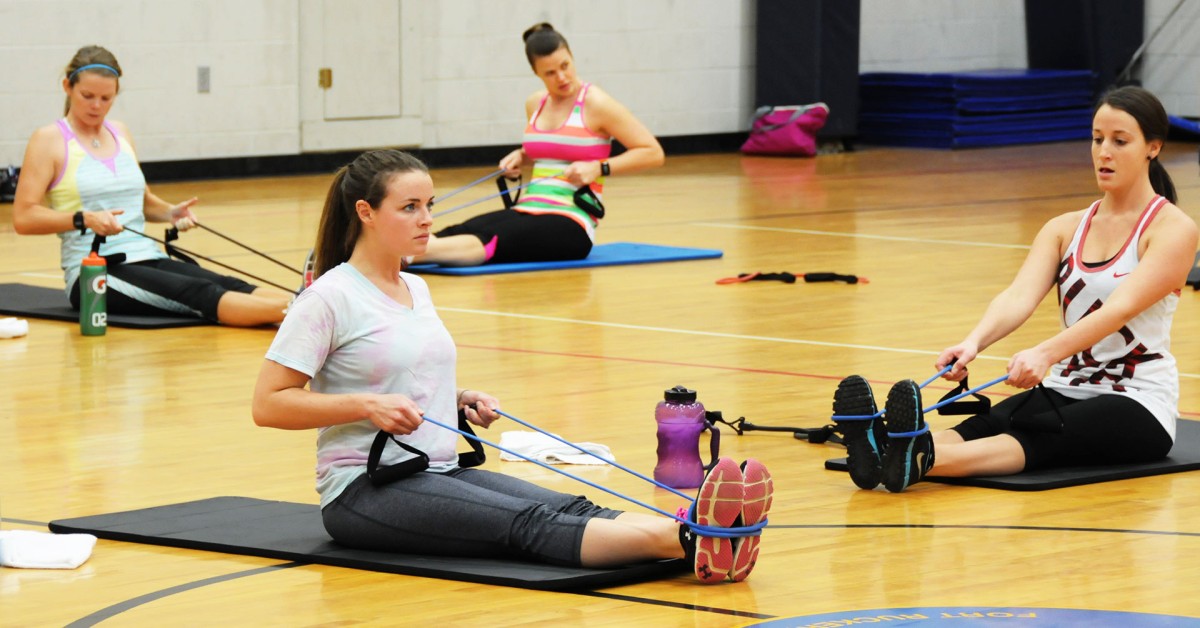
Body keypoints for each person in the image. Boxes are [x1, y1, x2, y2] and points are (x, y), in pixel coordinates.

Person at [252, 149, 772, 583]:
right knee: (527, 523)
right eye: (409, 207)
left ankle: (699, 531)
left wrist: (456, 399)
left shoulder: (415, 286)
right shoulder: (328, 298)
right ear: (365, 212)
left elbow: (400, 376)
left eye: (429, 204)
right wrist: (366, 405)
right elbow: (268, 405)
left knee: (570, 505)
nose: (427, 219)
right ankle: (693, 539)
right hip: (363, 491)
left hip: (435, 468)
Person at [834, 86, 1198, 493]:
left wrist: (1045, 353)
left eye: (1120, 141)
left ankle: (916, 457)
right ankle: (884, 450)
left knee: (1043, 434)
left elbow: (1120, 309)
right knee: (988, 423)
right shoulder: (1064, 227)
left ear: (1153, 147)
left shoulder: (1174, 230)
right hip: (1064, 387)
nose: (1103, 152)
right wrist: (973, 343)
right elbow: (1017, 297)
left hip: (1138, 401)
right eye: (1097, 139)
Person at [12, 45, 293, 327]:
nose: (96, 105)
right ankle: (306, 314)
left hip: (146, 256)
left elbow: (143, 202)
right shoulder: (49, 140)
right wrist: (84, 219)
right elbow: (24, 218)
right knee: (201, 294)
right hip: (94, 273)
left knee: (225, 282)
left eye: (106, 98)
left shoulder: (120, 133)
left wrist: (172, 213)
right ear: (67, 87)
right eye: (87, 96)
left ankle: (310, 302)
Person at [413, 23, 664, 266]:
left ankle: (406, 255)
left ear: (572, 57)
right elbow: (551, 150)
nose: (562, 77)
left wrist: (599, 168)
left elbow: (652, 153)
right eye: (550, 73)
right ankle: (403, 253)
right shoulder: (536, 104)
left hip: (571, 222)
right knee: (460, 230)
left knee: (491, 240)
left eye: (565, 66)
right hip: (528, 209)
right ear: (536, 73)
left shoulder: (597, 103)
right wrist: (521, 157)